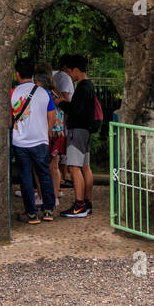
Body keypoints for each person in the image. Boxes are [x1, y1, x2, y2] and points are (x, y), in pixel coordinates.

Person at [10, 58, 56, 224]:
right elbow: (52, 116)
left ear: (17, 74)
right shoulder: (44, 93)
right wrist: (46, 131)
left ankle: (31, 213)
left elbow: (10, 118)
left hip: (20, 142)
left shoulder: (13, 93)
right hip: (40, 140)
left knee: (26, 177)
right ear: (33, 73)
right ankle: (48, 209)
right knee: (44, 174)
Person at [61, 53, 96, 218]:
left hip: (78, 130)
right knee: (85, 166)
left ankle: (79, 204)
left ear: (76, 70)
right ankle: (87, 202)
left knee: (74, 167)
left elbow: (74, 110)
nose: (70, 75)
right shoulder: (90, 86)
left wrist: (61, 103)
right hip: (87, 130)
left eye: (70, 71)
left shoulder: (82, 87)